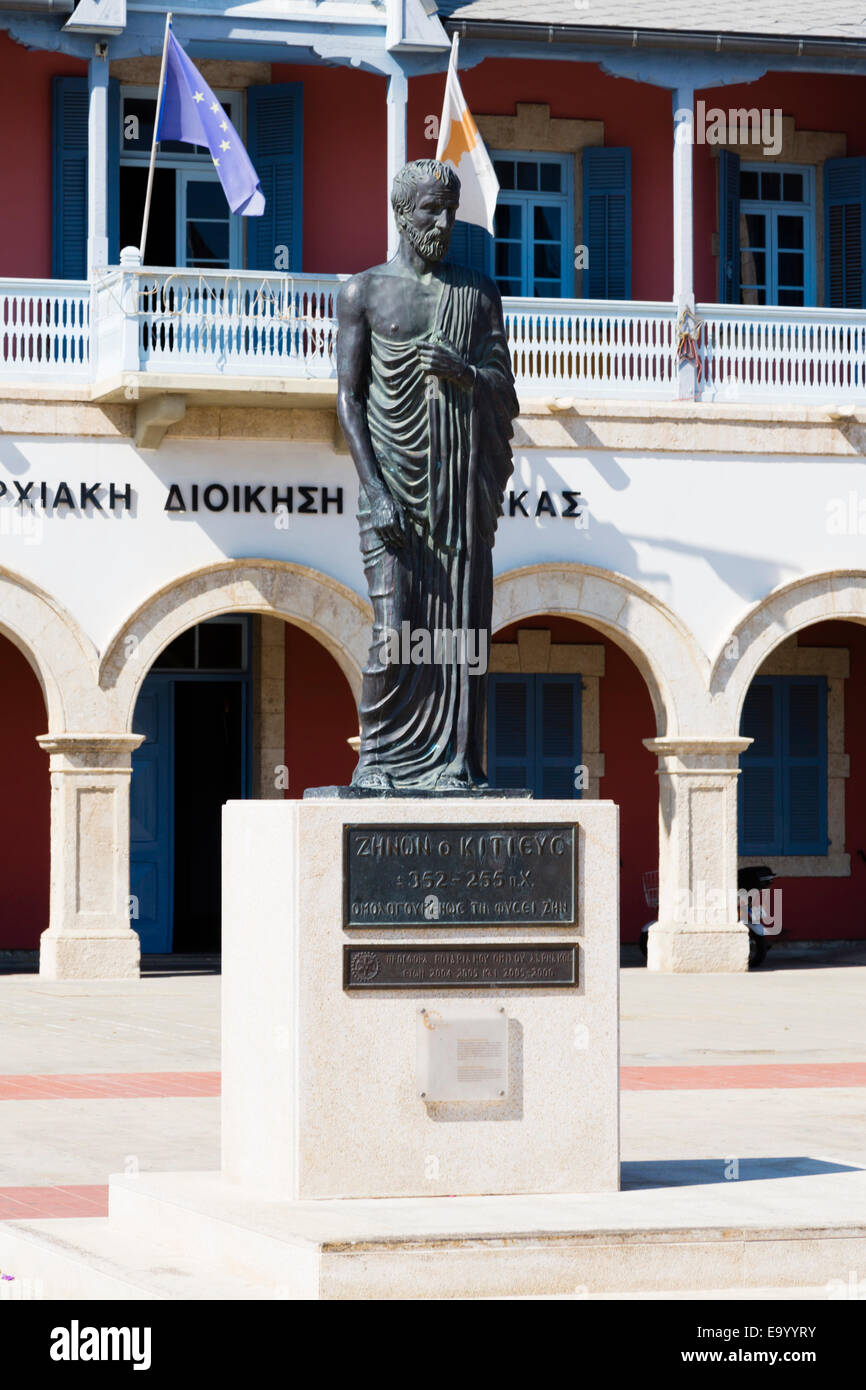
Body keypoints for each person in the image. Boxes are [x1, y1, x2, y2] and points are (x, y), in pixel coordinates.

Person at [336, 158, 518, 790]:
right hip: (392, 489)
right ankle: (379, 760)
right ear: (401, 212)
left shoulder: (477, 292)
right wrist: (375, 491)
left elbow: (505, 392)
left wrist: (464, 373)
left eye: (448, 209)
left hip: (457, 494)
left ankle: (454, 763)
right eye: (429, 210)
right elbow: (348, 401)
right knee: (395, 631)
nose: (440, 222)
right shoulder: (363, 291)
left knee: (461, 631)